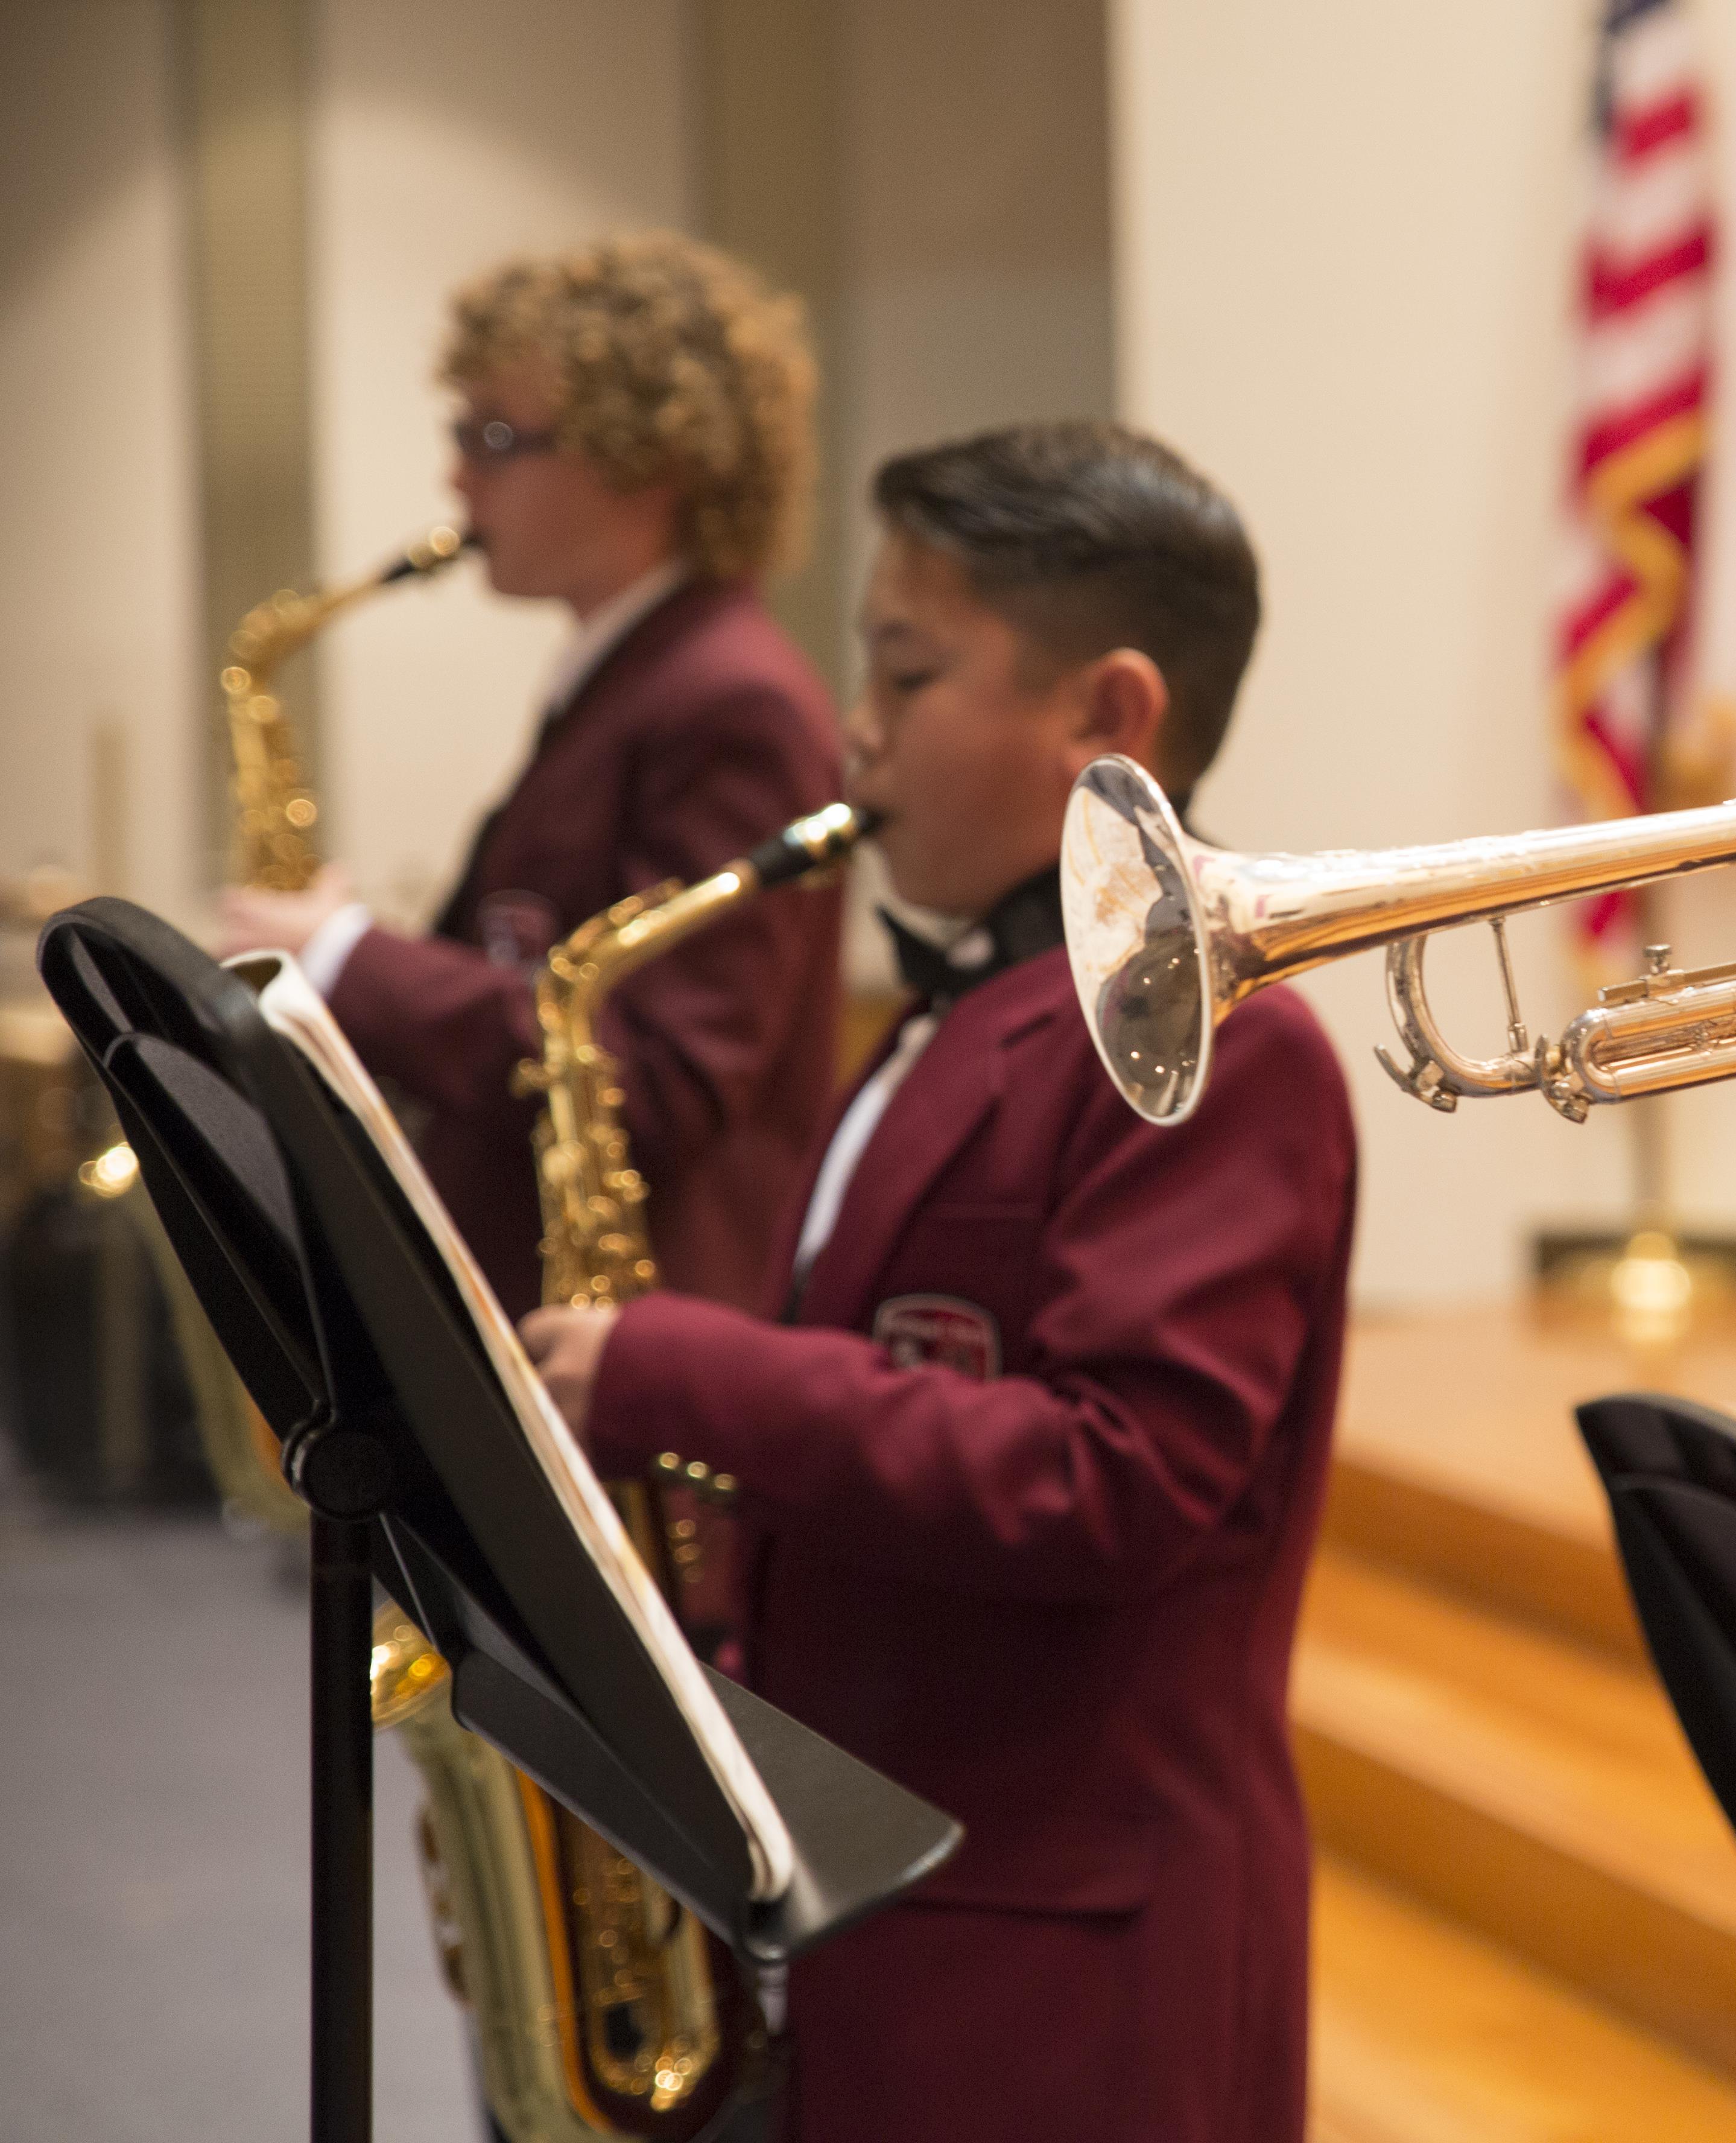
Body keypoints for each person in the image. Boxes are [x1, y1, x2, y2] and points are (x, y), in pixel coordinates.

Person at [519, 422, 1357, 2143]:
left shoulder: (1215, 1047)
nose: (862, 727)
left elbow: (1114, 1478)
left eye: (908, 669)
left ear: (1107, 718)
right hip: (897, 1875)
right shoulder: (953, 1013)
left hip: (1067, 1948)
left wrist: (685, 1377)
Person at [218, 231, 843, 1321]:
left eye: (495, 435)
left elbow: (653, 1081)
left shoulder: (731, 700)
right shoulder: (627, 676)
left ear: (650, 456)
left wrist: (350, 958)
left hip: (635, 1343)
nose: (456, 475)